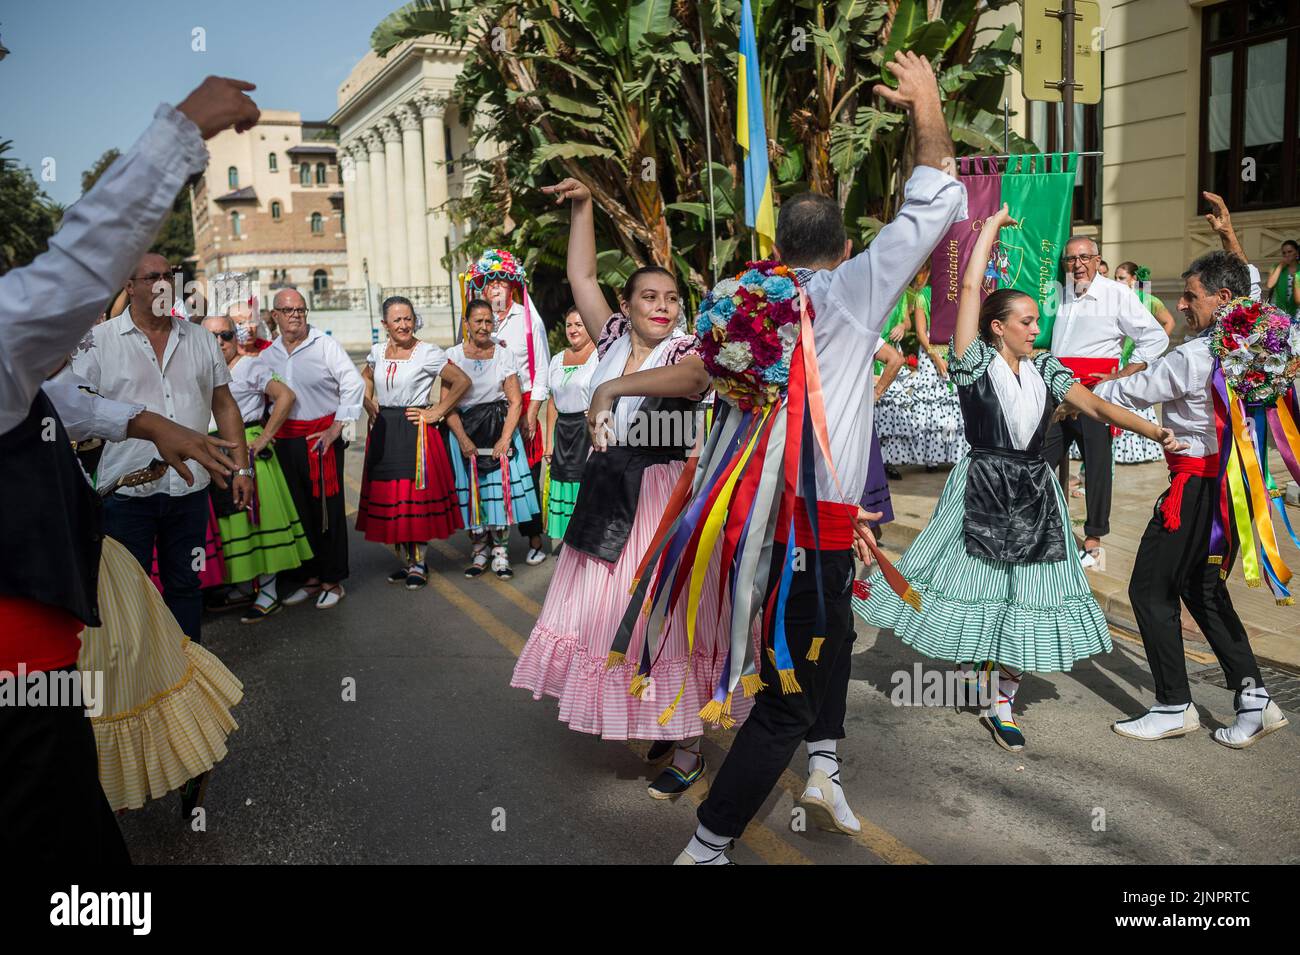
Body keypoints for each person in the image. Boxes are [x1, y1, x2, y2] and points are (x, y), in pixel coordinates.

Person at [675, 52, 968, 863]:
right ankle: (706, 846)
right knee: (786, 705)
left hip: (749, 527)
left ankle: (826, 772)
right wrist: (925, 104)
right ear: (842, 249)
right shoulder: (851, 292)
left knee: (823, 647)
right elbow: (936, 195)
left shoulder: (742, 307)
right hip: (808, 530)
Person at [0, 74, 258, 864]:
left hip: (46, 642)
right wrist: (179, 133)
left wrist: (156, 426)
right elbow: (64, 282)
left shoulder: (195, 340)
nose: (157, 285)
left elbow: (52, 395)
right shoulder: (86, 333)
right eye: (142, 275)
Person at [855, 205, 1183, 755]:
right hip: (981, 485)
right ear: (997, 327)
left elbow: (1097, 408)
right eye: (1027, 321)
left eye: (1037, 320)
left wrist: (1153, 429)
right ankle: (981, 664)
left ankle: (1001, 697)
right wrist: (988, 229)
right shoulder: (972, 362)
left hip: (1035, 492)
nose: (1037, 327)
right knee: (978, 589)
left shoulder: (1050, 368)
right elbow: (966, 285)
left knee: (1031, 595)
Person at [513, 174, 731, 798]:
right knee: (613, 620)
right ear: (627, 307)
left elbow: (692, 383)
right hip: (608, 494)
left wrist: (612, 389)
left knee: (666, 620)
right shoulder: (609, 337)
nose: (661, 306)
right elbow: (583, 277)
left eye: (670, 297)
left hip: (665, 497)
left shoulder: (689, 348)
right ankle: (656, 719)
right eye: (648, 298)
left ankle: (688, 745)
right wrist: (583, 205)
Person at [1099, 249, 1289, 748]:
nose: (1182, 304)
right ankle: (1254, 700)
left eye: (1191, 295)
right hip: (1233, 490)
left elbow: (1130, 392)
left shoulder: (1196, 356)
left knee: (1148, 588)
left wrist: (1076, 390)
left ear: (1223, 299)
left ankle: (1172, 704)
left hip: (1197, 489)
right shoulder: (1255, 348)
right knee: (1203, 591)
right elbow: (1252, 283)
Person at [42, 369, 244, 813]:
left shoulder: (29, 373)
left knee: (125, 663)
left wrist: (154, 425)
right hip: (47, 562)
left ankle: (181, 764)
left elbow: (79, 408)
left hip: (76, 558)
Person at [72, 251, 254, 643]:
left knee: (185, 587)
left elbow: (224, 405)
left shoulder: (202, 338)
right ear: (129, 286)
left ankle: (188, 673)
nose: (163, 283)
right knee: (128, 593)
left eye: (169, 275)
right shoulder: (97, 342)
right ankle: (139, 681)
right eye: (152, 276)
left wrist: (242, 468)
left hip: (189, 489)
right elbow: (78, 407)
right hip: (126, 491)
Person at [1043, 234, 1169, 569]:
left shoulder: (1117, 294)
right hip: (1057, 388)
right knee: (1039, 460)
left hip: (1094, 392)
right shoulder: (1061, 292)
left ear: (1098, 260)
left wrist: (1122, 374)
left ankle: (1094, 544)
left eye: (1084, 257)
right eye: (1071, 259)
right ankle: (1043, 527)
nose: (1077, 264)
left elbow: (1156, 336)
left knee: (1096, 467)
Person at [199, 310, 311, 623]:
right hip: (214, 452)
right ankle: (244, 585)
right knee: (230, 522)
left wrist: (263, 437)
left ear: (236, 338)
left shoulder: (250, 365)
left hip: (246, 450)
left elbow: (285, 396)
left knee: (256, 520)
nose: (219, 342)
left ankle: (269, 591)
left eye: (226, 335)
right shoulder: (200, 371)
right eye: (211, 337)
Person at [260, 288, 366, 609]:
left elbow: (353, 384)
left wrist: (337, 427)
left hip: (320, 441)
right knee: (297, 512)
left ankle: (332, 581)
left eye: (301, 310)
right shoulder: (268, 353)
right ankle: (309, 578)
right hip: (286, 443)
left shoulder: (324, 345)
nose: (295, 316)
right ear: (275, 315)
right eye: (288, 311)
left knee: (327, 514)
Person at [357, 296, 470, 588]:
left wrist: (438, 411)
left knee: (413, 498)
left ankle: (419, 563)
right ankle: (407, 562)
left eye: (408, 319)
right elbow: (365, 378)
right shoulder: (378, 352)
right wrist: (369, 404)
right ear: (385, 324)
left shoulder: (427, 353)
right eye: (397, 320)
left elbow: (461, 381)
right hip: (384, 429)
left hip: (415, 429)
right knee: (393, 499)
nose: (404, 325)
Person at [445, 299, 542, 580]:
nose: (484, 327)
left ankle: (500, 553)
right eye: (478, 321)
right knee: (473, 494)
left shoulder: (503, 355)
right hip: (465, 431)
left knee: (499, 495)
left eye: (489, 321)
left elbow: (514, 402)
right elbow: (446, 405)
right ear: (466, 324)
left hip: (498, 429)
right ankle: (479, 551)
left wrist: (504, 439)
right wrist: (462, 439)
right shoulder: (452, 356)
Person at [470, 250, 552, 565]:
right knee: (488, 474)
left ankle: (534, 540)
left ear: (512, 287)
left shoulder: (529, 320)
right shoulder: (476, 321)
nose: (494, 290)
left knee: (528, 473)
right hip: (488, 408)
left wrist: (532, 414)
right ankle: (489, 542)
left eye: (500, 283)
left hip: (524, 403)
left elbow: (541, 370)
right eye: (488, 284)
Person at [875, 270, 968, 472]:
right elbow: (920, 332)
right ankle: (930, 458)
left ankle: (953, 456)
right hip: (931, 355)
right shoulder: (923, 295)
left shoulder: (958, 295)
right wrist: (937, 357)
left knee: (953, 405)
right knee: (931, 407)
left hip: (952, 352)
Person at [541, 306, 598, 542]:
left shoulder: (600, 356)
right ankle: (568, 545)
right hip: (563, 430)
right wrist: (549, 443)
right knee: (563, 483)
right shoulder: (556, 359)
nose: (573, 330)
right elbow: (553, 402)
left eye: (579, 324)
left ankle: (587, 541)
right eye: (569, 325)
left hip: (587, 430)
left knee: (586, 484)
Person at [1263, 239, 1300, 321]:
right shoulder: (1276, 266)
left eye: (1290, 251)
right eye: (1284, 253)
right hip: (1278, 310)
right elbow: (1269, 285)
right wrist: (1280, 266)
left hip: (1296, 311)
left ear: (1296, 253)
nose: (1287, 255)